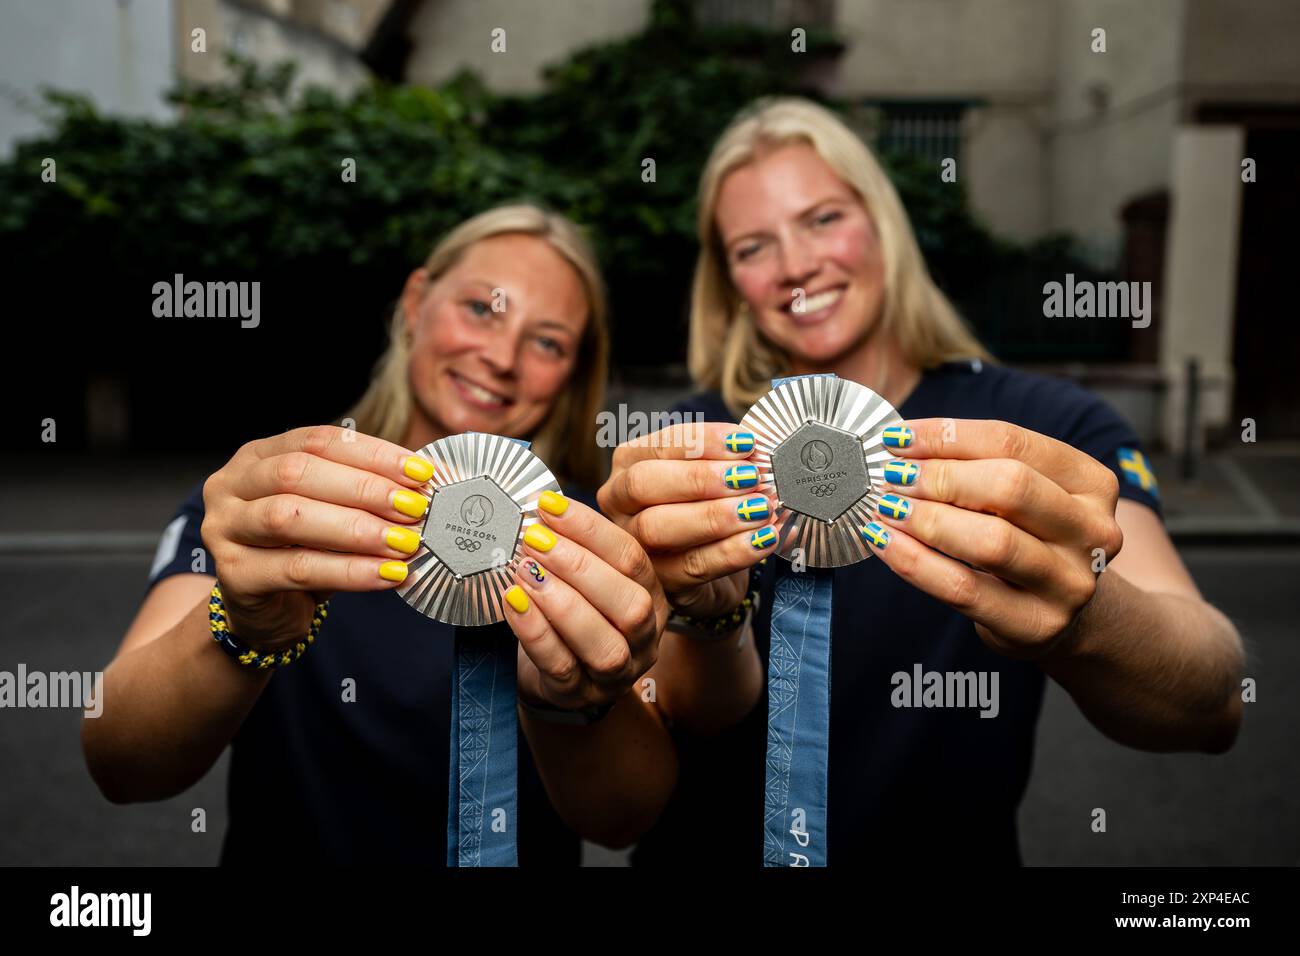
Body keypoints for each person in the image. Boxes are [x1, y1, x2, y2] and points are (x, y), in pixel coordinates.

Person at [597, 98, 1246, 864]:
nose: (796, 264)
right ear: (730, 281)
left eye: (822, 218)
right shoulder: (694, 450)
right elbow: (647, 763)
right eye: (752, 247)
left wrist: (1084, 614)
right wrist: (701, 619)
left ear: (883, 223)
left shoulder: (1038, 425)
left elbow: (1212, 703)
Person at [82, 204, 675, 863]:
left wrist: (572, 704)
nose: (502, 357)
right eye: (481, 308)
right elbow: (120, 763)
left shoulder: (591, 545)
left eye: (547, 342)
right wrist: (244, 627)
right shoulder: (282, 501)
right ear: (417, 302)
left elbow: (625, 817)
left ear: (573, 370)